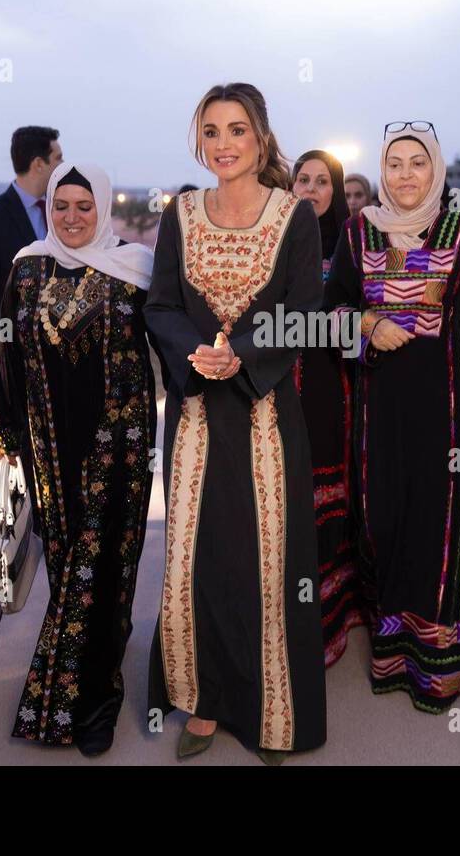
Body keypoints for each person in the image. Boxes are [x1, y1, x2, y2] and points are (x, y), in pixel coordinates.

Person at [144, 83, 326, 765]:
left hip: (265, 412)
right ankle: (205, 700)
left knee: (269, 561)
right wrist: (196, 355)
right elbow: (160, 305)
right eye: (212, 131)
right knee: (197, 560)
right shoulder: (180, 213)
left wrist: (239, 355)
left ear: (262, 139)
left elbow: (306, 311)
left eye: (237, 131)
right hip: (194, 413)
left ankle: (270, 709)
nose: (223, 144)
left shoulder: (295, 216)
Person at [323, 122, 460, 713]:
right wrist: (365, 325)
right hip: (376, 414)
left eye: (418, 163)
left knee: (441, 535)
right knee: (383, 524)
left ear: (435, 170)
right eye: (395, 164)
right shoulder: (359, 231)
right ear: (382, 173)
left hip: (450, 415)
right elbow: (331, 308)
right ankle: (392, 658)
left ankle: (440, 669)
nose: (406, 175)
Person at [0, 161, 155, 757]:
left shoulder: (135, 269)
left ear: (104, 209)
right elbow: (8, 352)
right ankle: (87, 678)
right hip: (49, 447)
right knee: (68, 567)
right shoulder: (27, 269)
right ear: (49, 209)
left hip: (120, 446)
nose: (74, 217)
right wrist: (4, 429)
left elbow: (172, 338)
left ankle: (95, 701)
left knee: (109, 566)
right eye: (62, 206)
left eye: (85, 206)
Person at [292, 150, 364, 665]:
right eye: (304, 179)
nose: (312, 189)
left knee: (326, 495)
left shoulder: (350, 246)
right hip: (273, 389)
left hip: (330, 389)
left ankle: (327, 620)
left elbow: (362, 325)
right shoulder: (270, 242)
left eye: (323, 182)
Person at [0, 126, 63, 391]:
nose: (63, 165)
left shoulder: (64, 212)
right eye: (58, 159)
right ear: (39, 164)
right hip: (13, 350)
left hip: (62, 349)